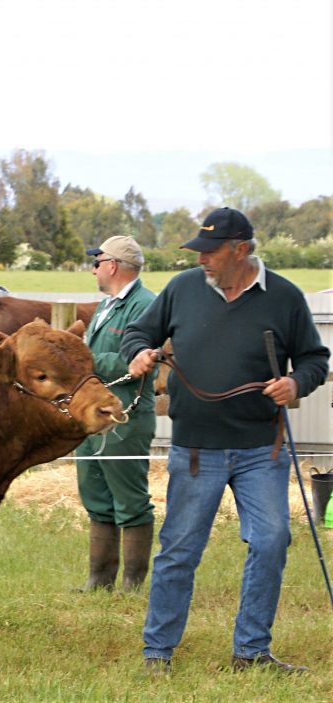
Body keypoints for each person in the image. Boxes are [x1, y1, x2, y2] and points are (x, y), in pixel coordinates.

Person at [121, 207, 329, 675]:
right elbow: (139, 332)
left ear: (242, 250)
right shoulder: (182, 289)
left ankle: (251, 652)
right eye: (199, 251)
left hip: (262, 449)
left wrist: (295, 383)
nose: (202, 259)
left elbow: (315, 359)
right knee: (179, 550)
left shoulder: (285, 297)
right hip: (196, 449)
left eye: (211, 252)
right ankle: (157, 653)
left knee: (272, 541)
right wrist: (140, 352)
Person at [75, 235, 157, 592]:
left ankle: (132, 585)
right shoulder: (107, 305)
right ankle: (99, 580)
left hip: (125, 416)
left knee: (130, 500)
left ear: (112, 265)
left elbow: (137, 361)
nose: (93, 269)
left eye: (97, 262)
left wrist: (83, 359)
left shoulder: (146, 306)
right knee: (95, 494)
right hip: (93, 416)